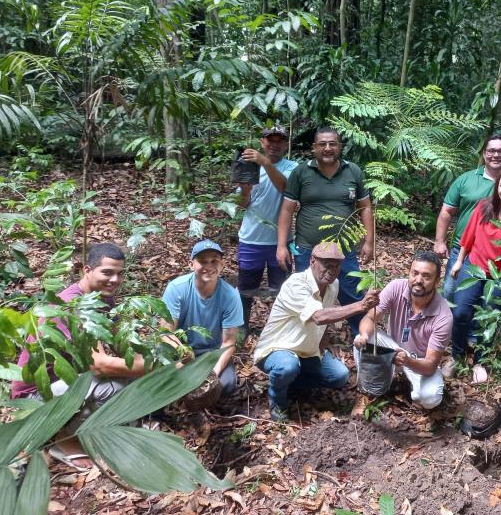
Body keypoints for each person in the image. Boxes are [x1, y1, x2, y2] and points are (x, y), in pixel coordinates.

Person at [12, 243, 148, 470]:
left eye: (119, 273)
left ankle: (87, 428)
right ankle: (61, 439)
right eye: (107, 272)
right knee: (115, 386)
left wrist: (155, 355)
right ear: (87, 270)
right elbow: (101, 365)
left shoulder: (102, 298)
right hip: (33, 398)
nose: (115, 280)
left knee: (131, 378)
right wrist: (154, 368)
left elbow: (121, 342)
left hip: (64, 382)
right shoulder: (74, 304)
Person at [255, 242, 380, 422]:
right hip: (277, 350)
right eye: (327, 265)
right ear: (312, 261)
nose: (332, 270)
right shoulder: (296, 284)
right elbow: (319, 316)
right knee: (287, 367)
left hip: (307, 352)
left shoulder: (333, 284)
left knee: (339, 376)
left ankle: (291, 385)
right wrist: (361, 305)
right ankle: (277, 400)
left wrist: (324, 340)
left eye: (336, 266)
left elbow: (325, 315)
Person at [276, 127, 373, 333]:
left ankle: (363, 338)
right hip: (308, 250)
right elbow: (286, 210)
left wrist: (369, 241)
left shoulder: (353, 171)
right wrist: (281, 246)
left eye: (332, 144)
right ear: (314, 148)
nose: (327, 148)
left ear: (340, 146)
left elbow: (365, 207)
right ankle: (310, 340)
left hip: (344, 249)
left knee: (352, 293)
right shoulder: (301, 172)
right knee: (309, 294)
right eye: (322, 144)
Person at [448, 168, 501, 382]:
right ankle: (456, 356)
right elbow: (469, 235)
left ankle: (480, 361)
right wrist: (458, 262)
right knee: (461, 313)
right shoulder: (485, 207)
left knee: (490, 318)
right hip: (474, 266)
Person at [433, 133, 501, 301]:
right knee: (452, 296)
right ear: (484, 153)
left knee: (486, 303)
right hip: (463, 248)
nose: (496, 155)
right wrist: (439, 241)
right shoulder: (466, 179)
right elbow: (447, 211)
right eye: (491, 151)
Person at [351, 251, 453, 414]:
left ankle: (408, 386)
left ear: (437, 281)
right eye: (415, 273)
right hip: (392, 350)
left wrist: (408, 361)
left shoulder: (443, 316)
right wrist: (364, 335)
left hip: (418, 362)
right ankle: (369, 390)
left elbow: (430, 365)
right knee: (362, 339)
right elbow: (369, 319)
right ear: (409, 273)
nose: (418, 280)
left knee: (430, 398)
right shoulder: (396, 287)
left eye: (426, 276)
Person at [236, 124, 298, 334]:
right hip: (251, 238)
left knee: (282, 288)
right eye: (270, 140)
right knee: (245, 287)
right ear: (262, 142)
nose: (274, 145)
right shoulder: (249, 166)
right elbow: (243, 204)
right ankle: (242, 327)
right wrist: (244, 191)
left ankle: (279, 329)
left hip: (281, 241)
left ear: (285, 144)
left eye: (279, 140)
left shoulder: (293, 168)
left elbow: (285, 187)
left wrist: (264, 162)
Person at [161, 239, 243, 396]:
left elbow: (229, 342)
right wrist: (183, 358)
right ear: (191, 264)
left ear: (222, 264)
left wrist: (212, 374)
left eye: (214, 261)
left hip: (212, 353)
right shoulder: (177, 289)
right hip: (181, 350)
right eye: (202, 261)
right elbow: (166, 333)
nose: (209, 267)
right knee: (168, 378)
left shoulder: (230, 296)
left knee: (226, 384)